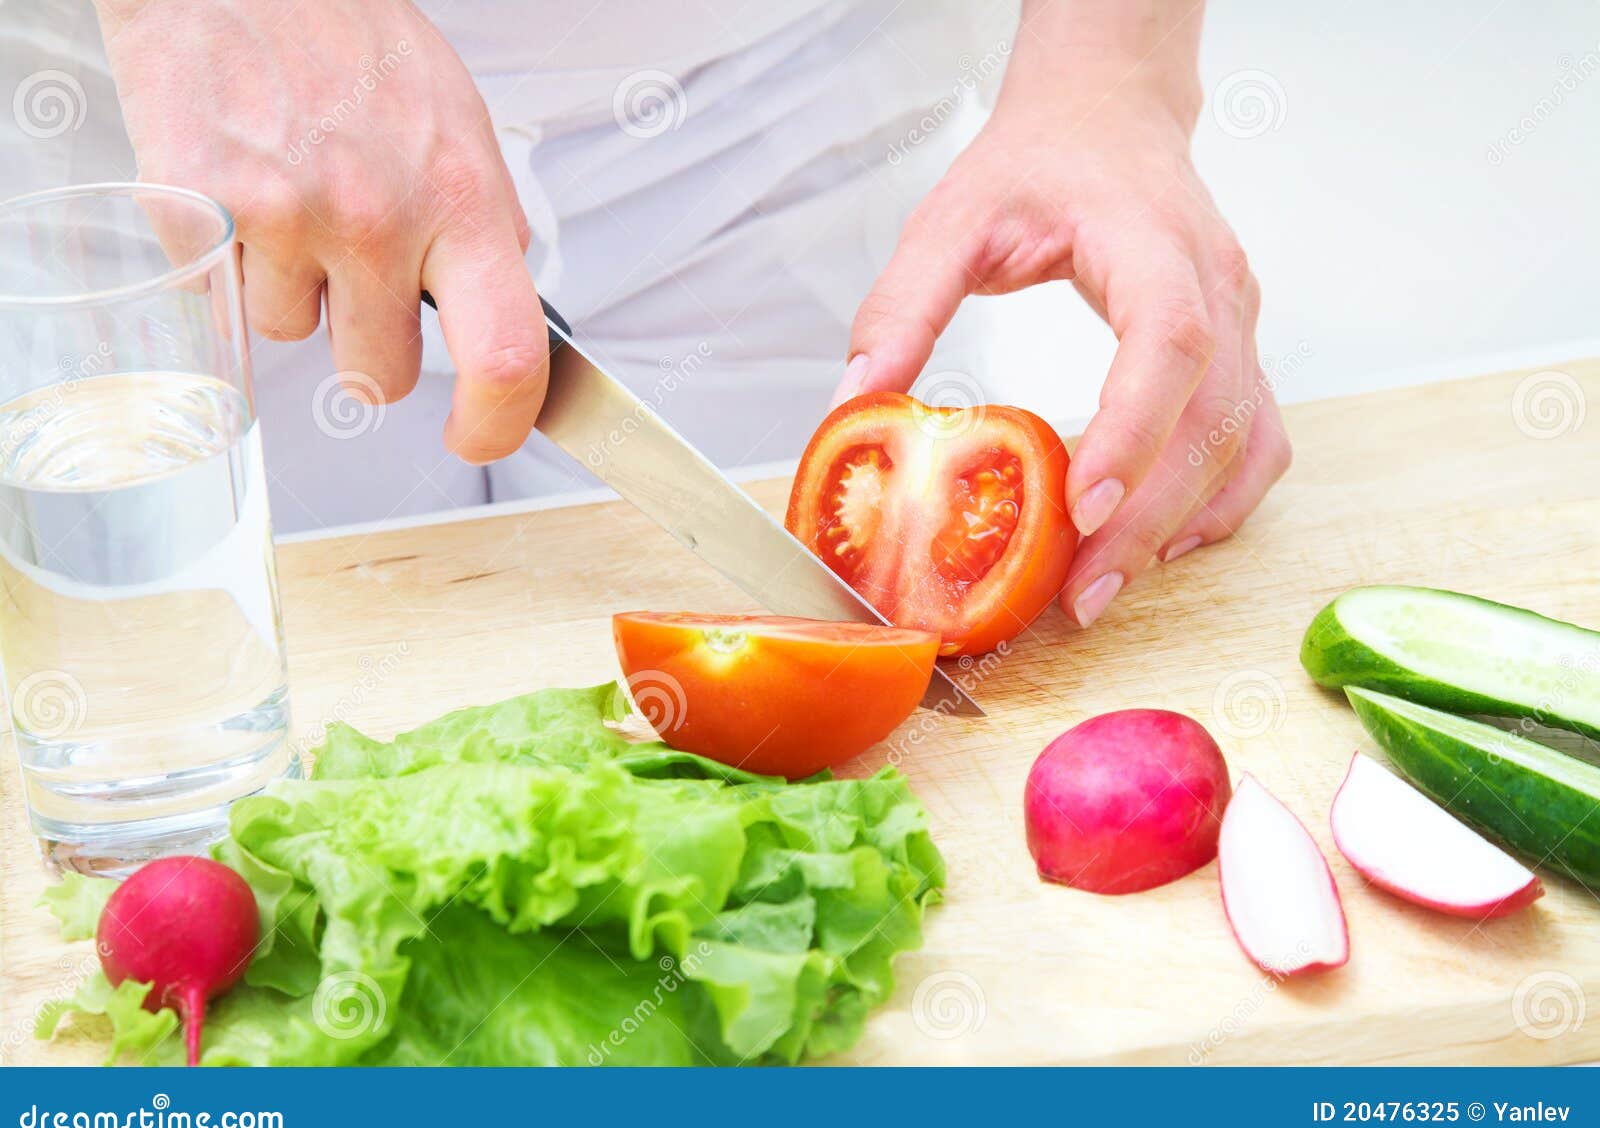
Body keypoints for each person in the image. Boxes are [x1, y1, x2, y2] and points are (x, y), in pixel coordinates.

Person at [79, 0, 1287, 627]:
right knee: (194, 742)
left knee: (775, 742)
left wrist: (1113, 71)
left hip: (771, 86)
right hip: (181, 110)